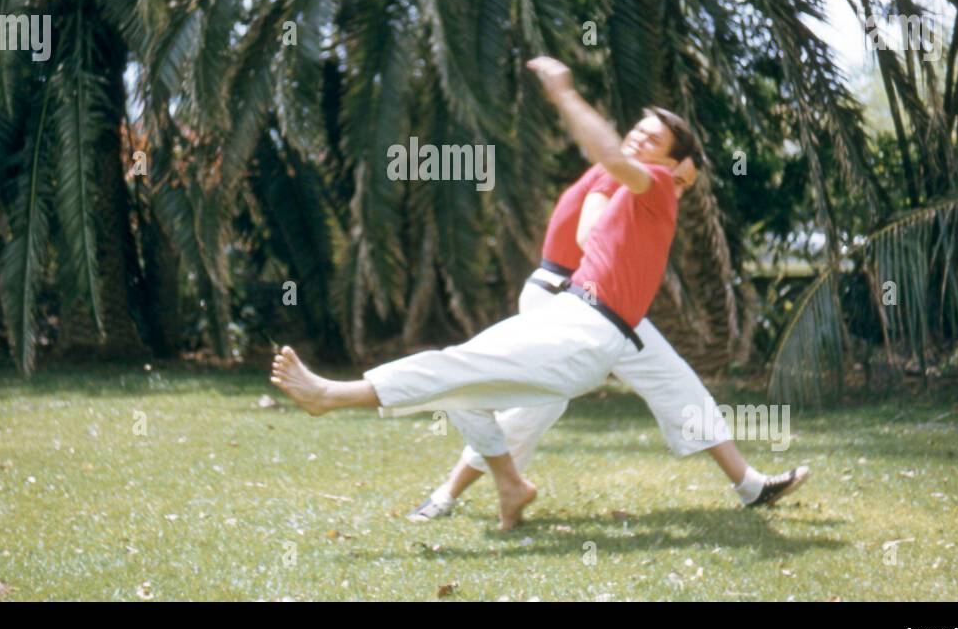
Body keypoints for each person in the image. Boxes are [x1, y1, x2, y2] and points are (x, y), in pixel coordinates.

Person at [272, 56, 807, 528]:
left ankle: (346, 407)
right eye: (639, 135)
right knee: (475, 384)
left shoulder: (650, 185)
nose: (641, 145)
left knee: (488, 381)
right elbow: (594, 216)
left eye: (658, 148)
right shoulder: (625, 178)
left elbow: (609, 202)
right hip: (570, 305)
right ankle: (500, 484)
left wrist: (565, 95)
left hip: (590, 319)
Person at [408, 109, 807, 522]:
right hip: (575, 300)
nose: (677, 191)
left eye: (683, 186)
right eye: (678, 180)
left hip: (585, 301)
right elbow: (589, 234)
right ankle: (450, 494)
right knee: (651, 384)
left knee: (637, 388)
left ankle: (449, 495)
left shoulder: (630, 175)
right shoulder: (619, 172)